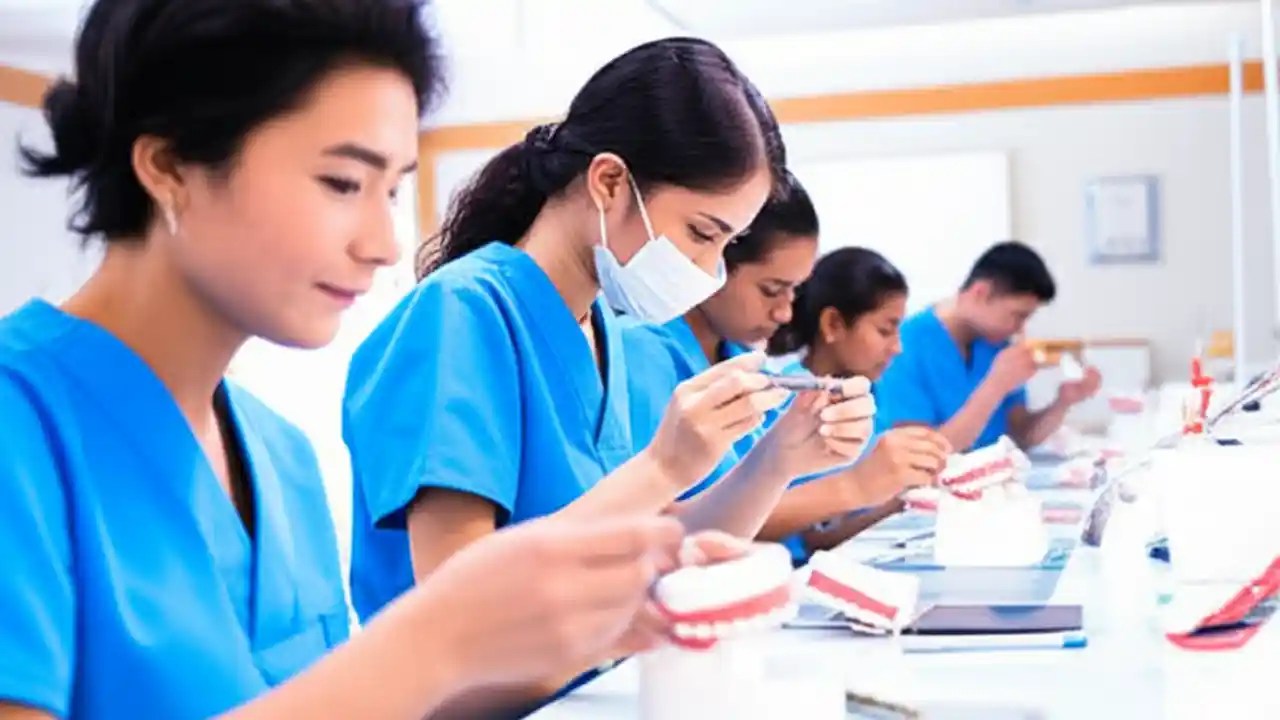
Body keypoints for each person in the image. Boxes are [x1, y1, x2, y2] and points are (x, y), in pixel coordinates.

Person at [0, 2, 725, 718]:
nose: (382, 244)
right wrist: (431, 641)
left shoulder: (280, 460)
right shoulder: (22, 422)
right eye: (343, 183)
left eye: (395, 190)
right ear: (170, 166)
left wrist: (570, 637)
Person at [343, 37, 876, 717]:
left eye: (724, 246)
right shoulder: (463, 313)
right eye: (701, 233)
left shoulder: (609, 332)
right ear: (609, 183)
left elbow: (650, 544)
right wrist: (659, 467)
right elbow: (455, 592)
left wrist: (773, 462)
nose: (708, 270)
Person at [766, 247, 951, 555]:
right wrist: (893, 499)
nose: (897, 348)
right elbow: (816, 539)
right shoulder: (791, 400)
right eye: (884, 330)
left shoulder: (868, 391)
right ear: (833, 324)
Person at [875, 241, 1101, 452]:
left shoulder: (995, 345)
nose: (1019, 328)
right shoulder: (903, 346)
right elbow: (919, 456)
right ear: (980, 293)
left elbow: (1021, 436)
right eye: (1017, 315)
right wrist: (995, 386)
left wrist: (1062, 403)